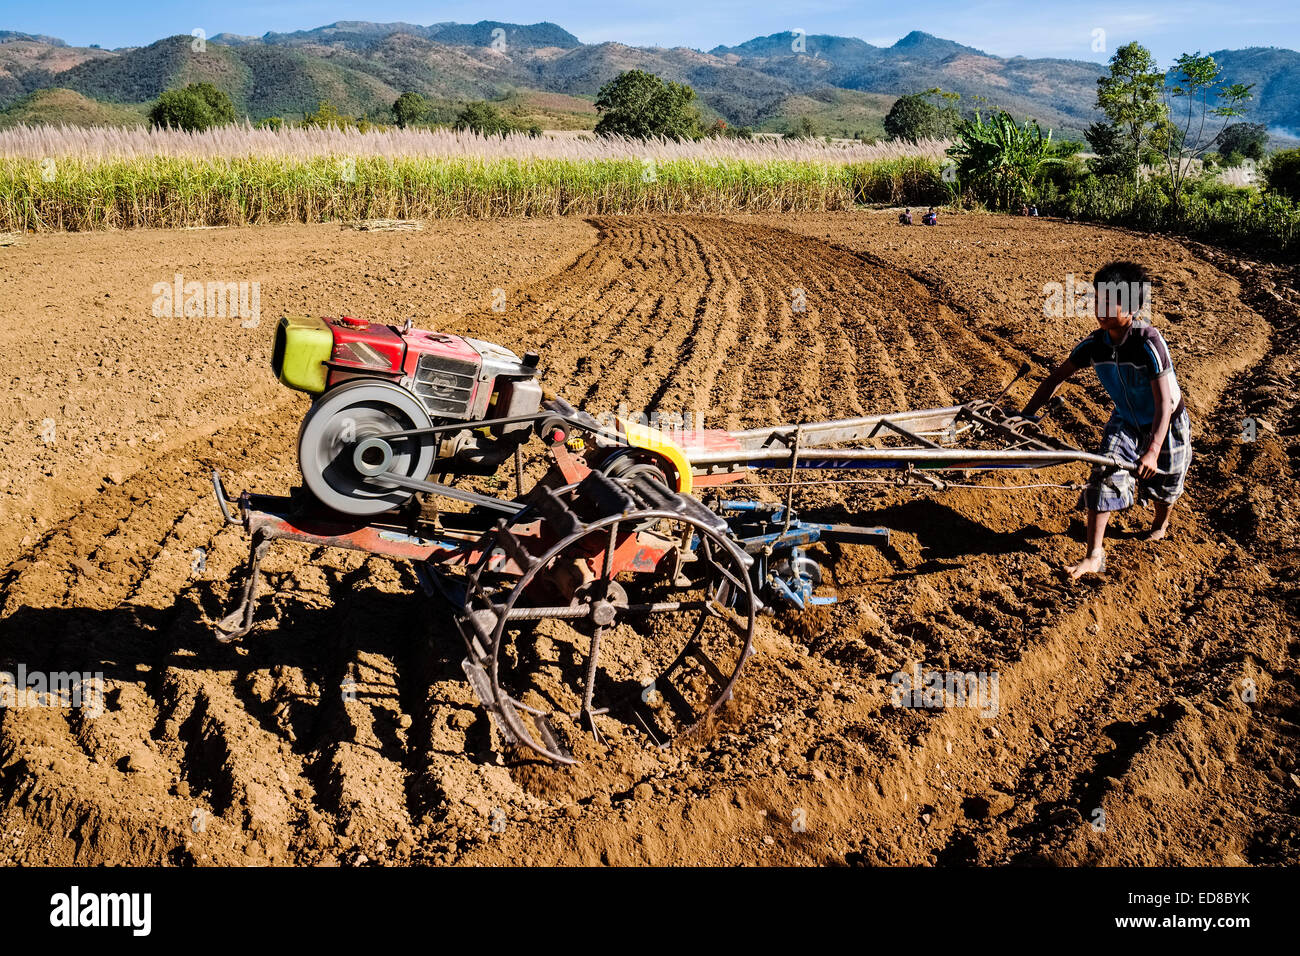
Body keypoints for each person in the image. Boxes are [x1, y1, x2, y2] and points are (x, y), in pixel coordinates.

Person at [1020, 261, 1191, 579]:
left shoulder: (1147, 343)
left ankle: (1160, 523)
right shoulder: (1095, 344)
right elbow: (1056, 377)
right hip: (1126, 420)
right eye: (1096, 298)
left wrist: (1152, 450)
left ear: (1130, 306)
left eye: (1107, 301)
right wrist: (1027, 414)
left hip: (1166, 421)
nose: (1098, 307)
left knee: (1166, 485)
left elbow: (1164, 402)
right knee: (1104, 472)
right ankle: (1094, 554)